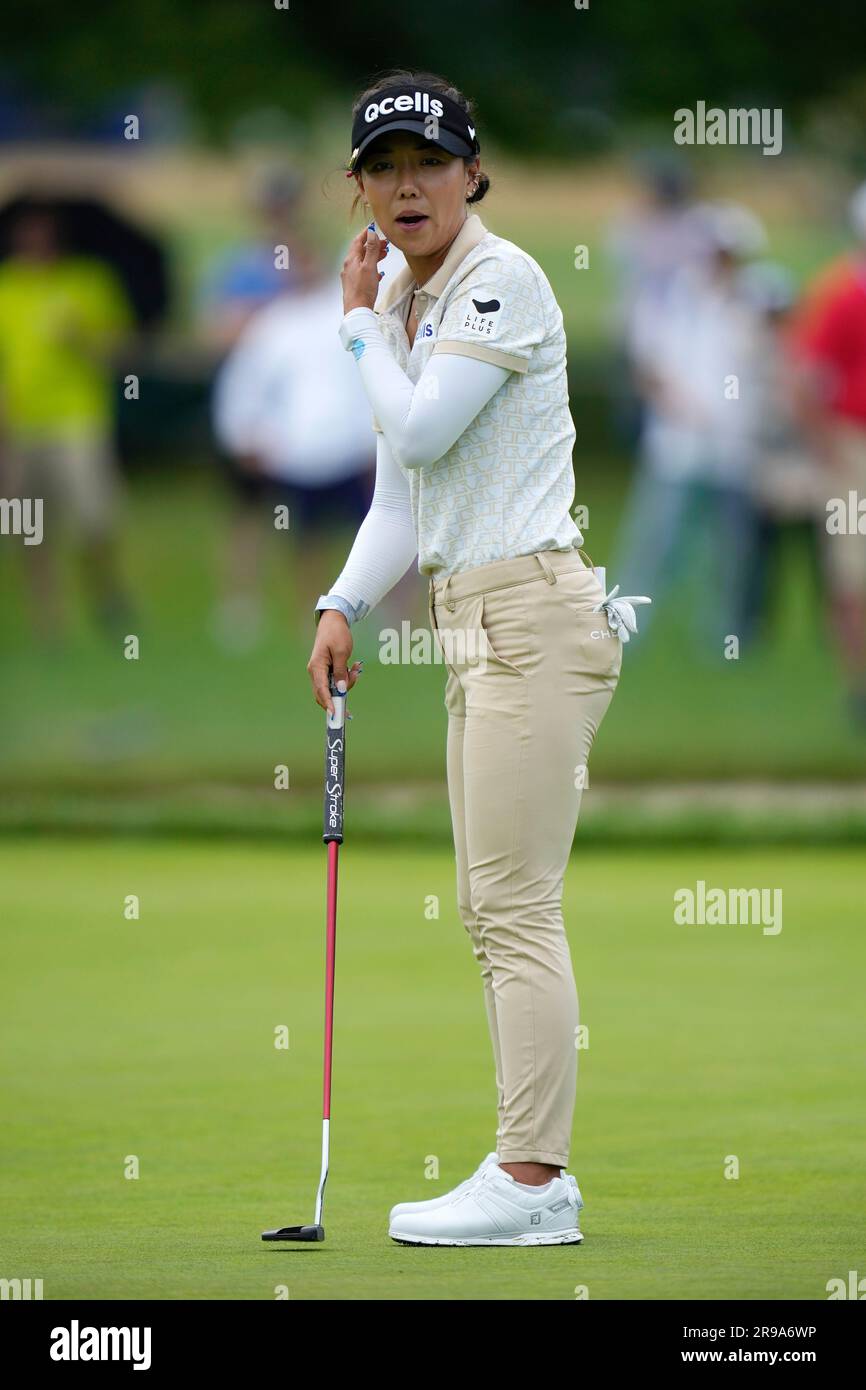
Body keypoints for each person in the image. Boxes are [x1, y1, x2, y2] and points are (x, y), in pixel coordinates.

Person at [305, 69, 647, 1247]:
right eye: (383, 166)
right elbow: (404, 497)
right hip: (468, 620)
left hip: (534, 617)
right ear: (358, 184)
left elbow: (420, 426)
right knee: (486, 905)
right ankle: (527, 1169)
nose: (406, 185)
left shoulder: (496, 281)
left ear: (471, 170)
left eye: (427, 163)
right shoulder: (408, 298)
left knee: (511, 904)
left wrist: (351, 324)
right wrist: (341, 601)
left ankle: (531, 1177)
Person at [0, 203, 133, 641]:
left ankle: (106, 594)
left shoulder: (87, 281)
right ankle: (48, 620)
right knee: (29, 526)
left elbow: (121, 351)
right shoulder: (7, 289)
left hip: (78, 421)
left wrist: (81, 337)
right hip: (22, 426)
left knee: (94, 518)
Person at [788, 183, 866, 725]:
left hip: (846, 443)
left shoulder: (838, 290)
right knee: (852, 574)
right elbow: (807, 383)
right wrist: (827, 449)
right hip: (851, 444)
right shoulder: (842, 294)